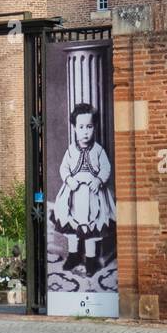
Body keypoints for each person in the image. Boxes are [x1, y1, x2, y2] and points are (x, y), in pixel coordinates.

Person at [50, 102, 116, 276]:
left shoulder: (99, 151)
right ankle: (73, 256)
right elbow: (64, 169)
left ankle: (91, 260)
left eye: (89, 127)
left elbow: (106, 168)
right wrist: (69, 179)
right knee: (72, 228)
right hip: (74, 196)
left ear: (94, 128)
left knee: (92, 229)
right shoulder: (71, 151)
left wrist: (99, 180)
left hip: (94, 196)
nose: (85, 131)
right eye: (81, 127)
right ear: (74, 128)